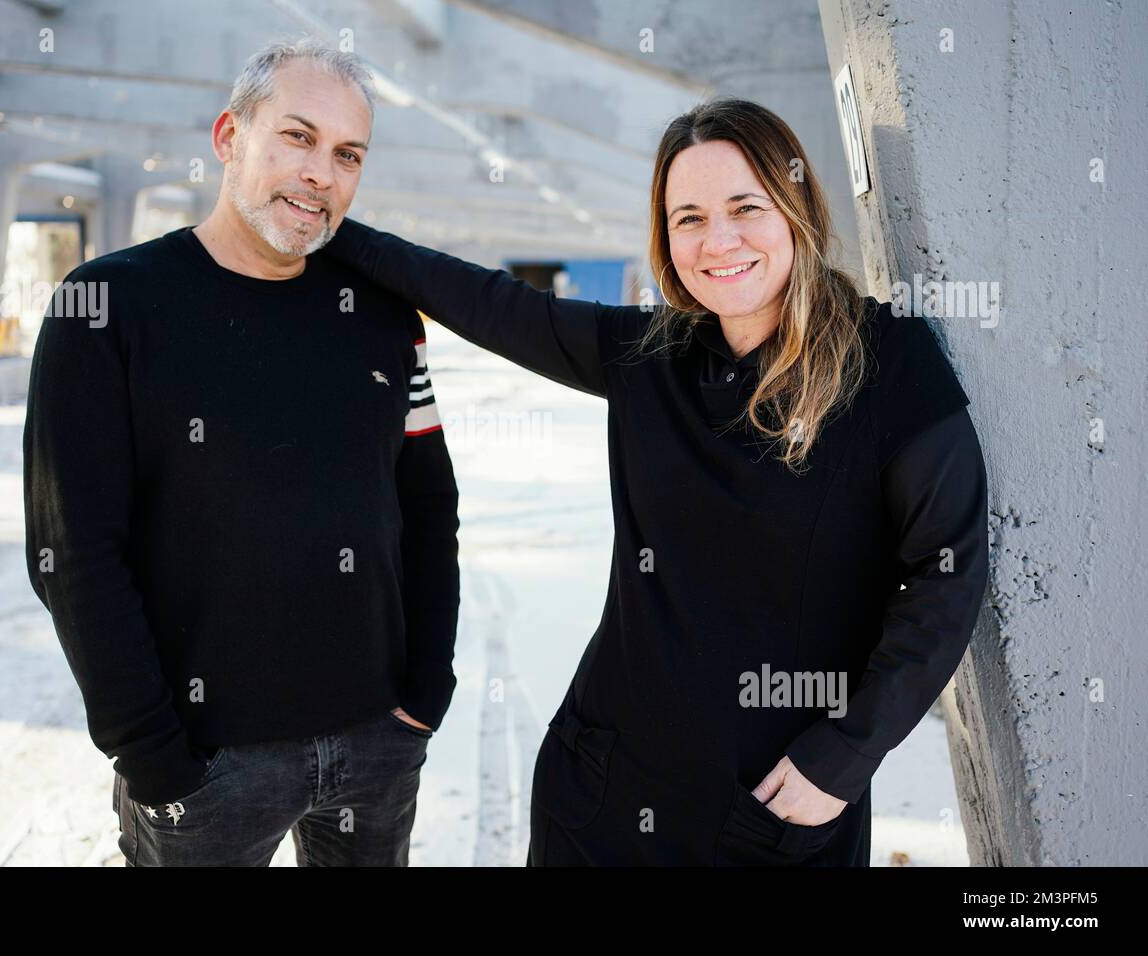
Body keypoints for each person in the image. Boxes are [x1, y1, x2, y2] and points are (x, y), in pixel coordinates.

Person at [322, 98, 989, 865]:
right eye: (689, 219)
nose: (719, 240)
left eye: (746, 207)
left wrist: (846, 755)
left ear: (796, 207)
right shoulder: (651, 358)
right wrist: (332, 230)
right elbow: (494, 303)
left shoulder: (890, 366)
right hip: (600, 792)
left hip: (778, 805)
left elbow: (948, 575)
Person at [22, 38, 460, 866]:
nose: (321, 174)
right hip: (208, 766)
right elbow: (70, 553)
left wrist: (424, 693)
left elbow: (429, 505)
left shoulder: (381, 317)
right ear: (230, 137)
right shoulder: (104, 307)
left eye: (347, 155)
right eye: (297, 137)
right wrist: (152, 754)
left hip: (377, 745)